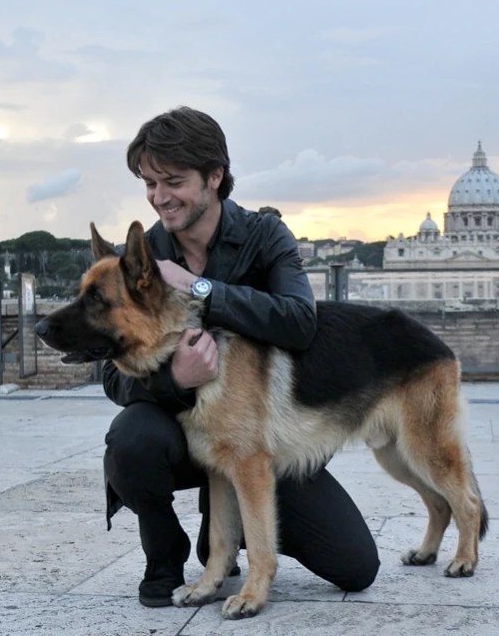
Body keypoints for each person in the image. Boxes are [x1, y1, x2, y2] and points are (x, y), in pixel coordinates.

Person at [100, 107, 379, 607]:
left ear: (215, 176)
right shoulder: (144, 252)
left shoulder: (265, 235)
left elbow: (300, 321)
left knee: (356, 566)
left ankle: (237, 527)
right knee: (131, 440)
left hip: (258, 436)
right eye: (149, 182)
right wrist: (176, 380)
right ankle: (165, 559)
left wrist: (201, 289)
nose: (159, 197)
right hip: (184, 433)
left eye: (173, 181)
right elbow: (111, 373)